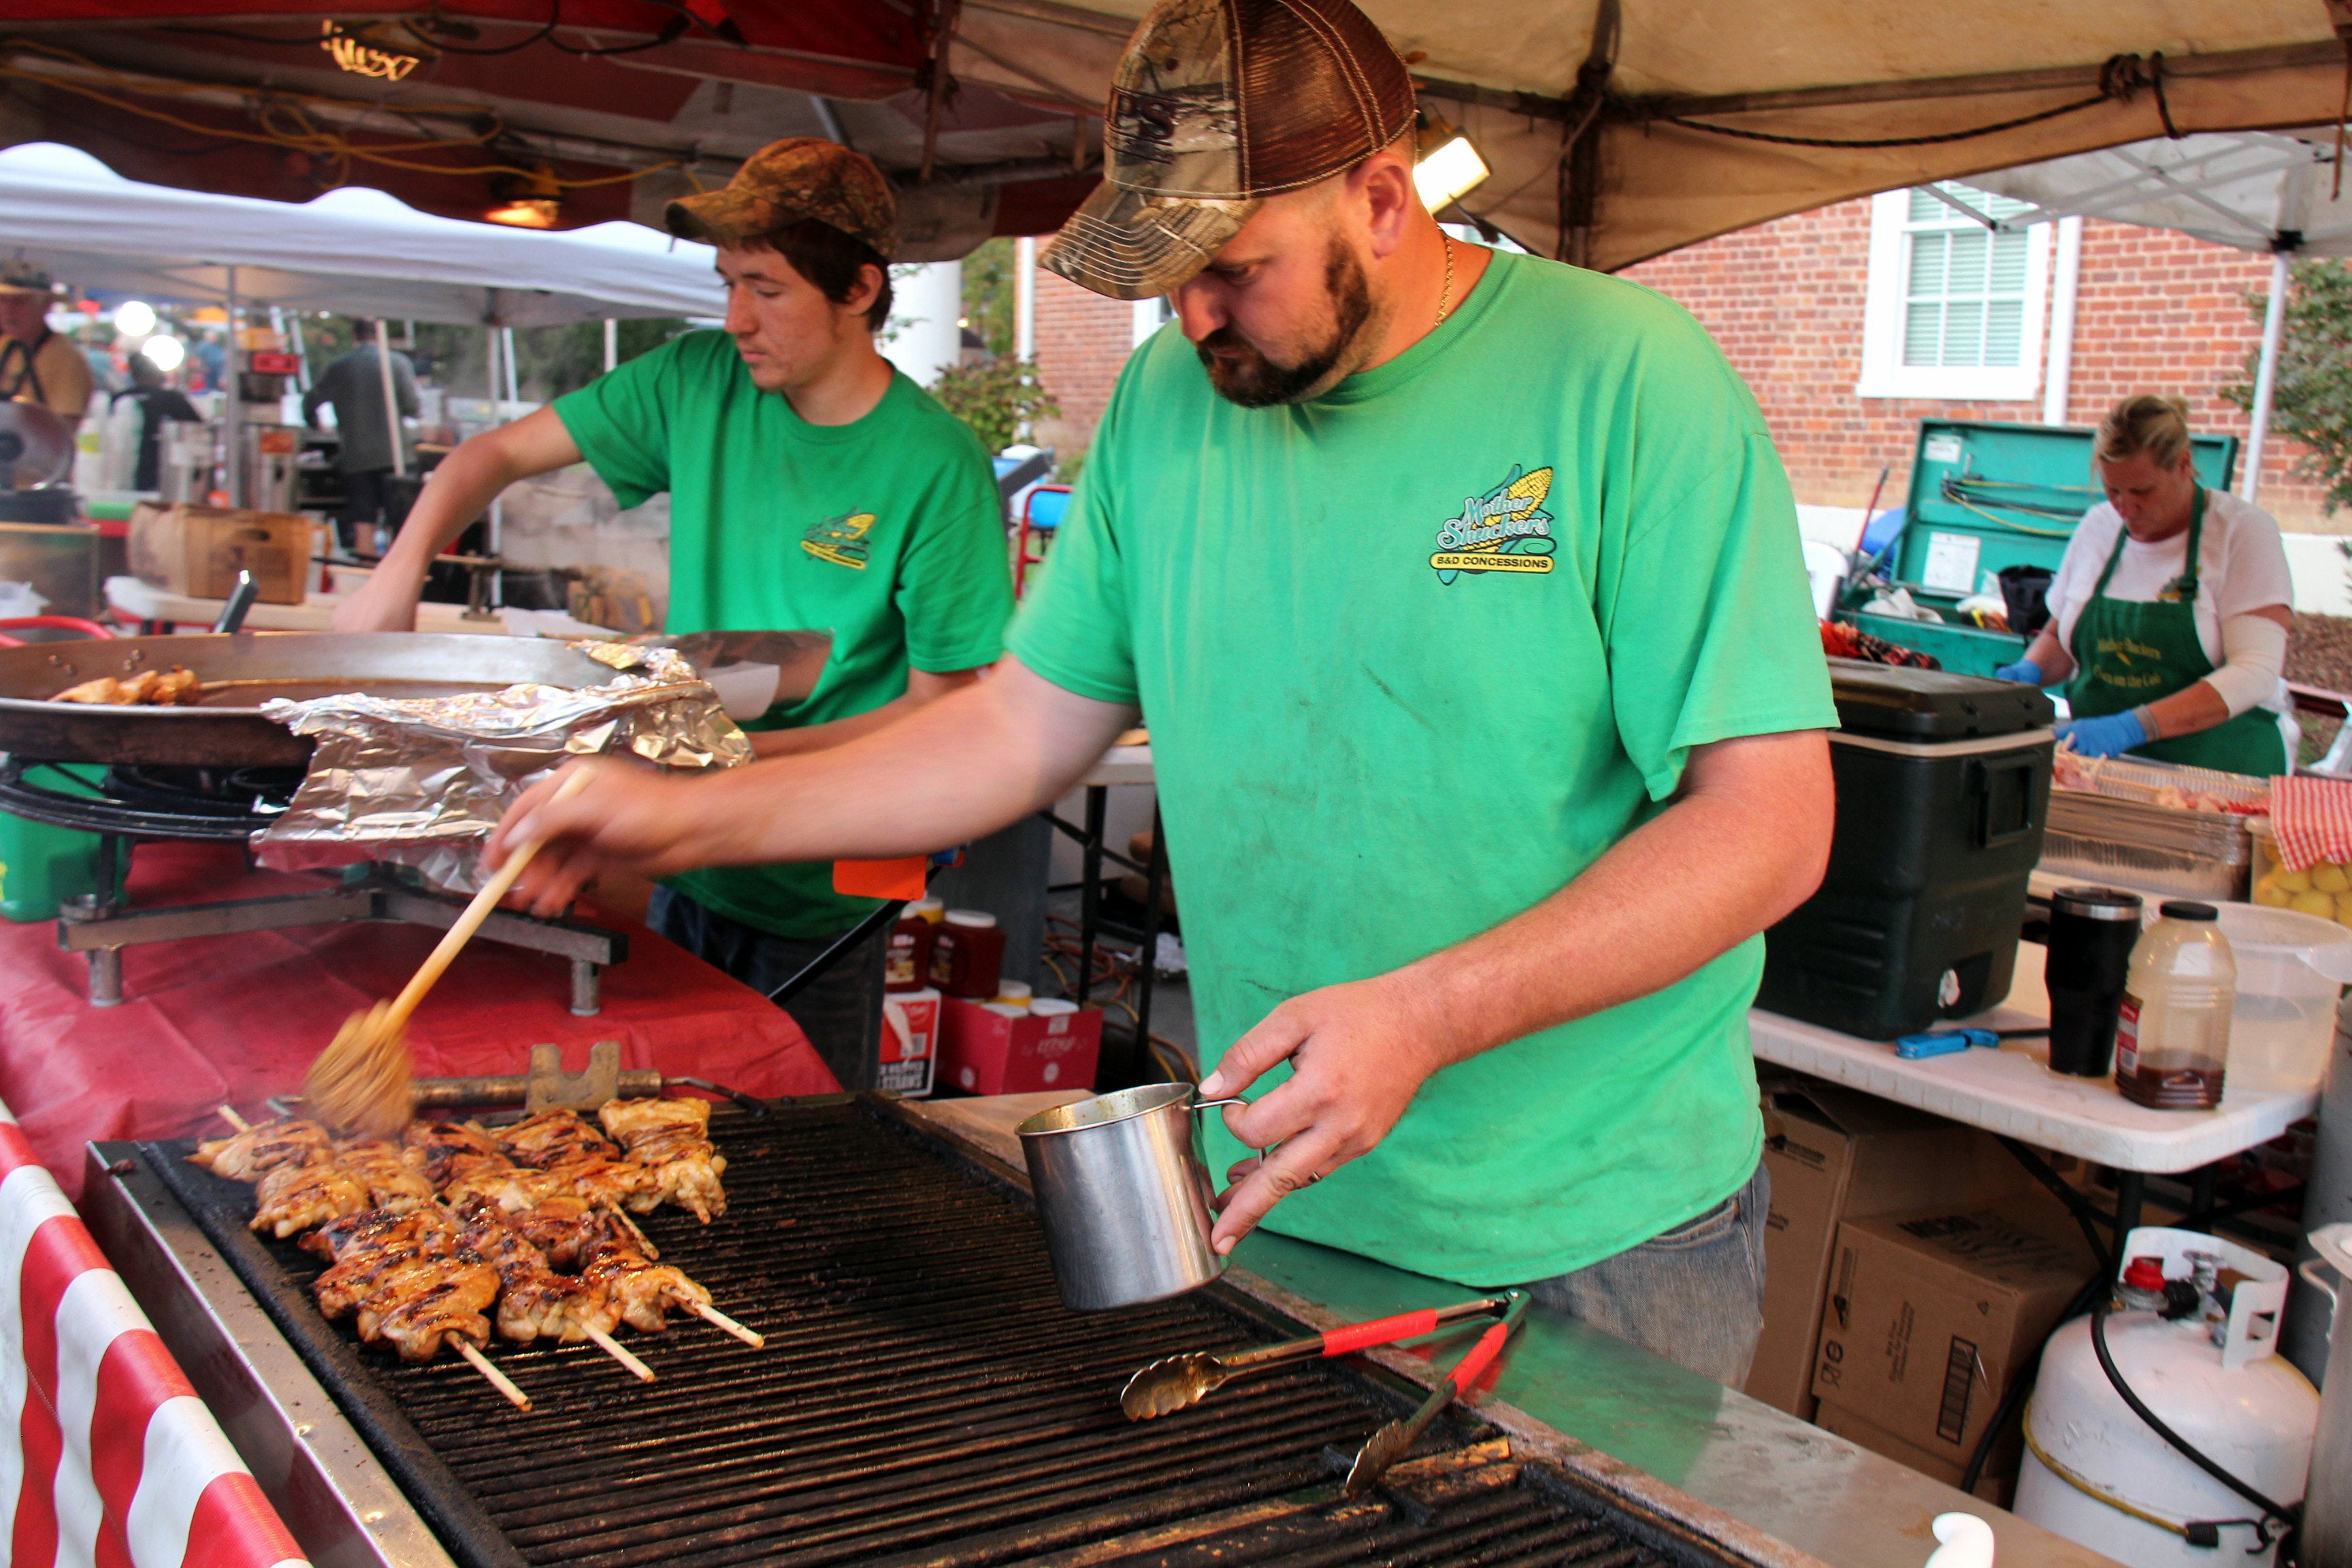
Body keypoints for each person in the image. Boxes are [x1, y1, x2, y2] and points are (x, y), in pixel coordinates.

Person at [485, 0, 1836, 1386]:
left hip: (1591, 1237)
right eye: (1165, 272)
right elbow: (1016, 728)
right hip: (1274, 1195)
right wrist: (681, 816)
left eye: (1232, 268)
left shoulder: (1628, 380)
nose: (1193, 314)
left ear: (1382, 199)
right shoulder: (1163, 404)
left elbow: (1772, 820)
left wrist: (1433, 1015)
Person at [332, 139, 1013, 1094]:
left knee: (795, 1130)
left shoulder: (935, 465)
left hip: (827, 872)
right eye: (729, 281)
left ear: (859, 290)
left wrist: (691, 776)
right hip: (679, 852)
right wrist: (397, 571)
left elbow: (941, 716)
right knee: (672, 1105)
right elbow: (486, 458)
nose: (736, 318)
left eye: (767, 289)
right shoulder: (695, 382)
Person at [1995, 395, 2295, 771]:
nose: (2125, 507)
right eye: (2113, 490)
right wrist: (2028, 674)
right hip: (2102, 767)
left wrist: (2134, 726)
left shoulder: (2241, 531)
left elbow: (2256, 673)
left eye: (2142, 491)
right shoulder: (2099, 527)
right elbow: (2060, 637)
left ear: (2184, 464)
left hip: (2219, 771)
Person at [303, 319, 420, 551]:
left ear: (355, 337)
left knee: (363, 518)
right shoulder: (398, 363)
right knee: (397, 519)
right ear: (381, 336)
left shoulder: (340, 368)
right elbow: (412, 407)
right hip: (395, 456)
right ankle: (393, 570)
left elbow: (310, 401)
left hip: (356, 457)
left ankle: (364, 569)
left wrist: (314, 422)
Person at [0, 278, 93, 432]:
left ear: (46, 305)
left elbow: (64, 430)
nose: (8, 310)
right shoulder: (6, 343)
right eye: (3, 300)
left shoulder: (65, 358)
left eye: (20, 302)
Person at [110, 353, 203, 492]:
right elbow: (199, 432)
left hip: (120, 482)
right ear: (159, 375)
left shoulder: (118, 399)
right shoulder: (173, 399)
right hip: (167, 481)